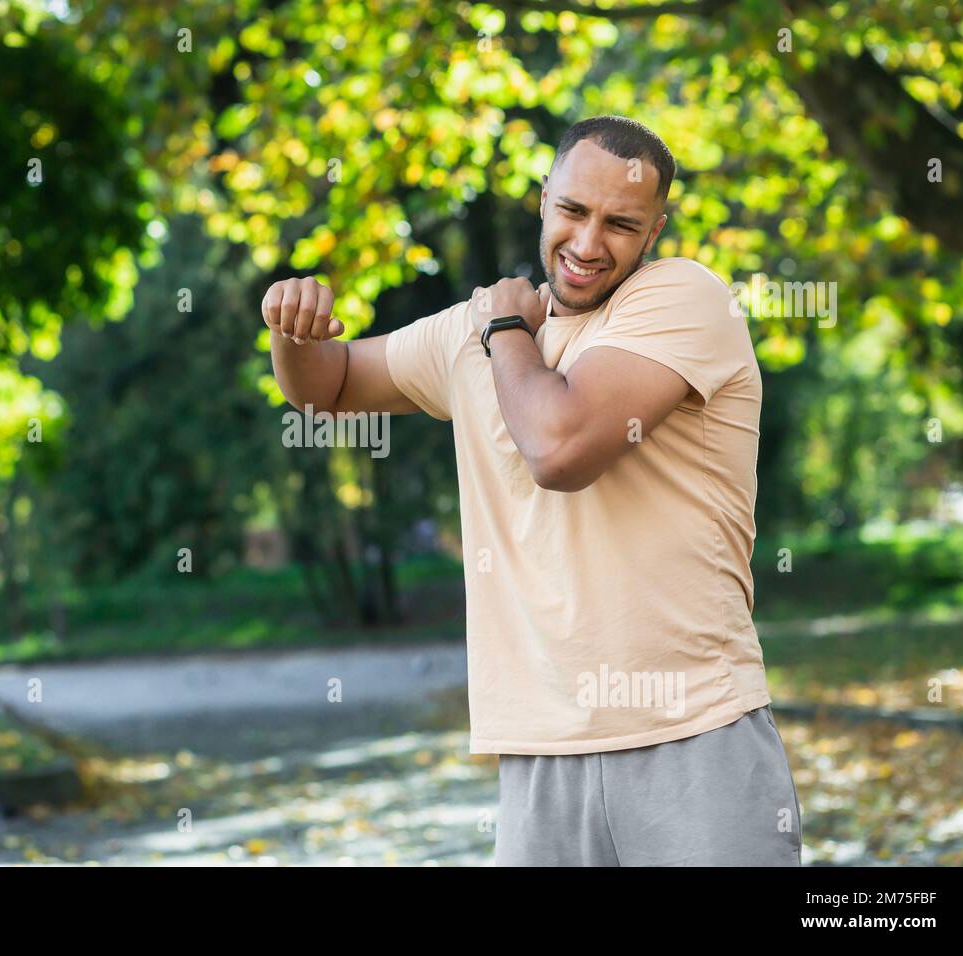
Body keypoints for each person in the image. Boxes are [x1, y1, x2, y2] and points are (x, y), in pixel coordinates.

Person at [260, 115, 802, 866]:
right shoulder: (471, 332)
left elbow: (560, 445)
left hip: (694, 741)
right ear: (542, 198)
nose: (587, 244)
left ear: (655, 232)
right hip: (540, 754)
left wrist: (507, 328)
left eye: (621, 223)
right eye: (574, 211)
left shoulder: (683, 300)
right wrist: (293, 331)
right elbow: (332, 384)